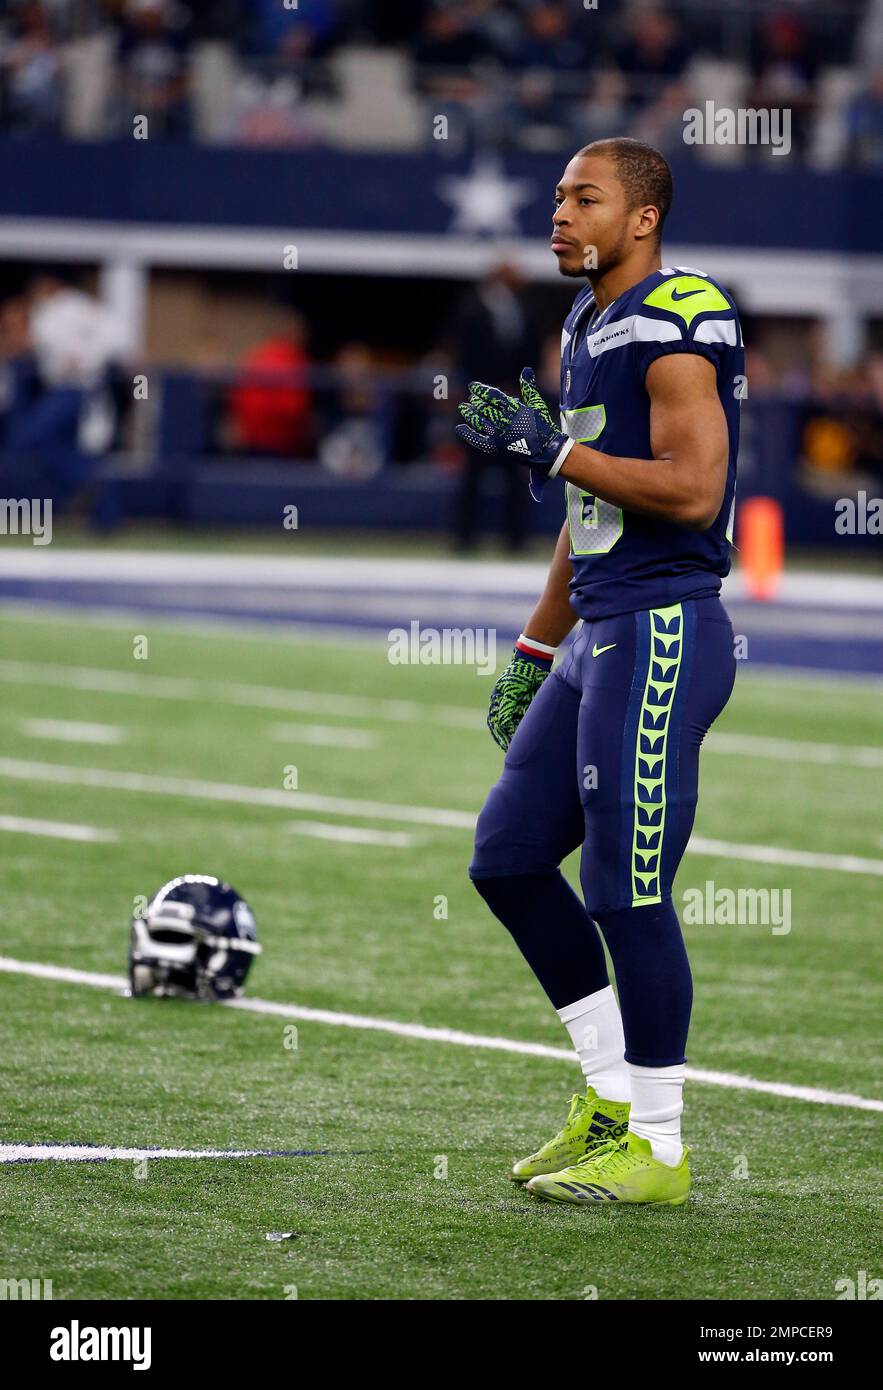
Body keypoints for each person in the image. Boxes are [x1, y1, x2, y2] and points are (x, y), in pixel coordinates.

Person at [455, 138, 742, 1207]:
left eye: (587, 197)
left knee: (624, 886)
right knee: (508, 857)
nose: (560, 213)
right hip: (598, 631)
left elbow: (693, 488)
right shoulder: (585, 322)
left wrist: (556, 451)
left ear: (643, 218)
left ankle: (658, 1146)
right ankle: (608, 1099)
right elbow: (591, 515)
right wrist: (536, 645)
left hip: (664, 623)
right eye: (558, 195)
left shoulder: (678, 312)